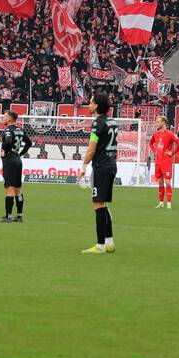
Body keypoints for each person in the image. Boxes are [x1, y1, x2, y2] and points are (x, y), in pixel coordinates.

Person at [79, 92, 117, 253]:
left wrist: (84, 165)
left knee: (98, 204)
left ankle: (100, 245)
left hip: (101, 166)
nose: (89, 105)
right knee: (104, 204)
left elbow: (91, 148)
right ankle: (109, 241)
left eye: (91, 102)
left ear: (97, 105)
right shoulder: (112, 122)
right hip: (111, 165)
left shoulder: (97, 124)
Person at [0, 111, 32, 222]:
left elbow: (7, 141)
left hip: (10, 160)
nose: (3, 118)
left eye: (5, 117)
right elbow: (29, 143)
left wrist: (5, 152)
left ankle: (8, 216)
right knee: (18, 189)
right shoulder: (20, 130)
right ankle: (19, 215)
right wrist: (20, 154)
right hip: (17, 160)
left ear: (10, 119)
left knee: (9, 188)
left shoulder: (8, 130)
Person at [148, 115, 179, 209]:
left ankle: (169, 204)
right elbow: (150, 143)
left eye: (158, 122)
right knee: (160, 183)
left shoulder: (170, 134)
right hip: (158, 162)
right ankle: (160, 203)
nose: (157, 123)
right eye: (156, 122)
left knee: (167, 182)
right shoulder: (156, 134)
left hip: (166, 162)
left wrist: (172, 153)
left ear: (163, 123)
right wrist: (154, 150)